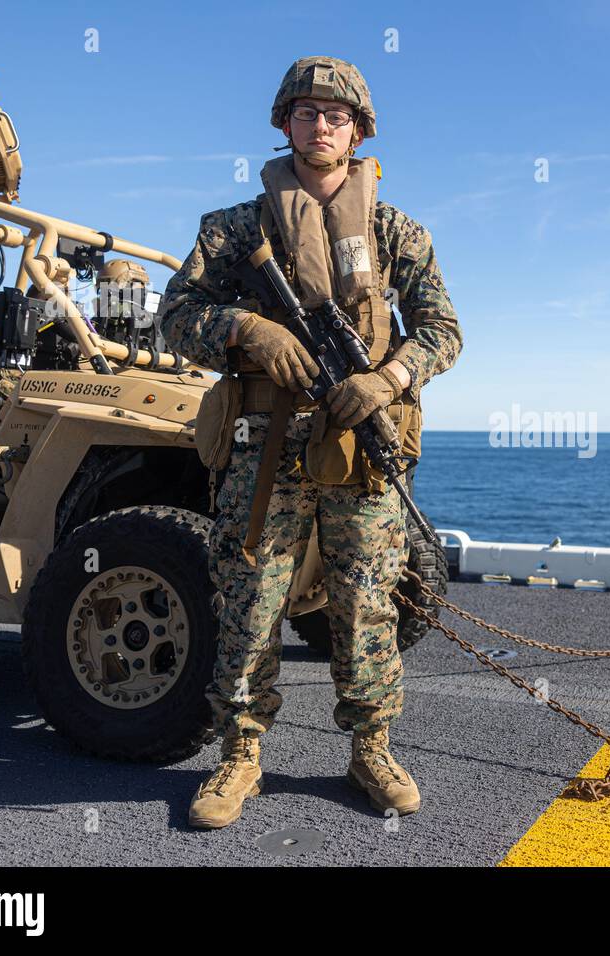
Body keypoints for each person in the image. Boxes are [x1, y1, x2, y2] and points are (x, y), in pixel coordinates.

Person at [157, 56, 462, 828]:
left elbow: (443, 331)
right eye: (306, 113)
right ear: (284, 123)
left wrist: (388, 381)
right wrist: (248, 329)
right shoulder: (234, 229)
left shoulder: (397, 231)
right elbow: (176, 317)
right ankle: (240, 754)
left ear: (358, 132)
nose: (320, 126)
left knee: (365, 602)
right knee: (250, 600)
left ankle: (371, 748)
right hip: (264, 445)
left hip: (360, 444)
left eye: (336, 116)